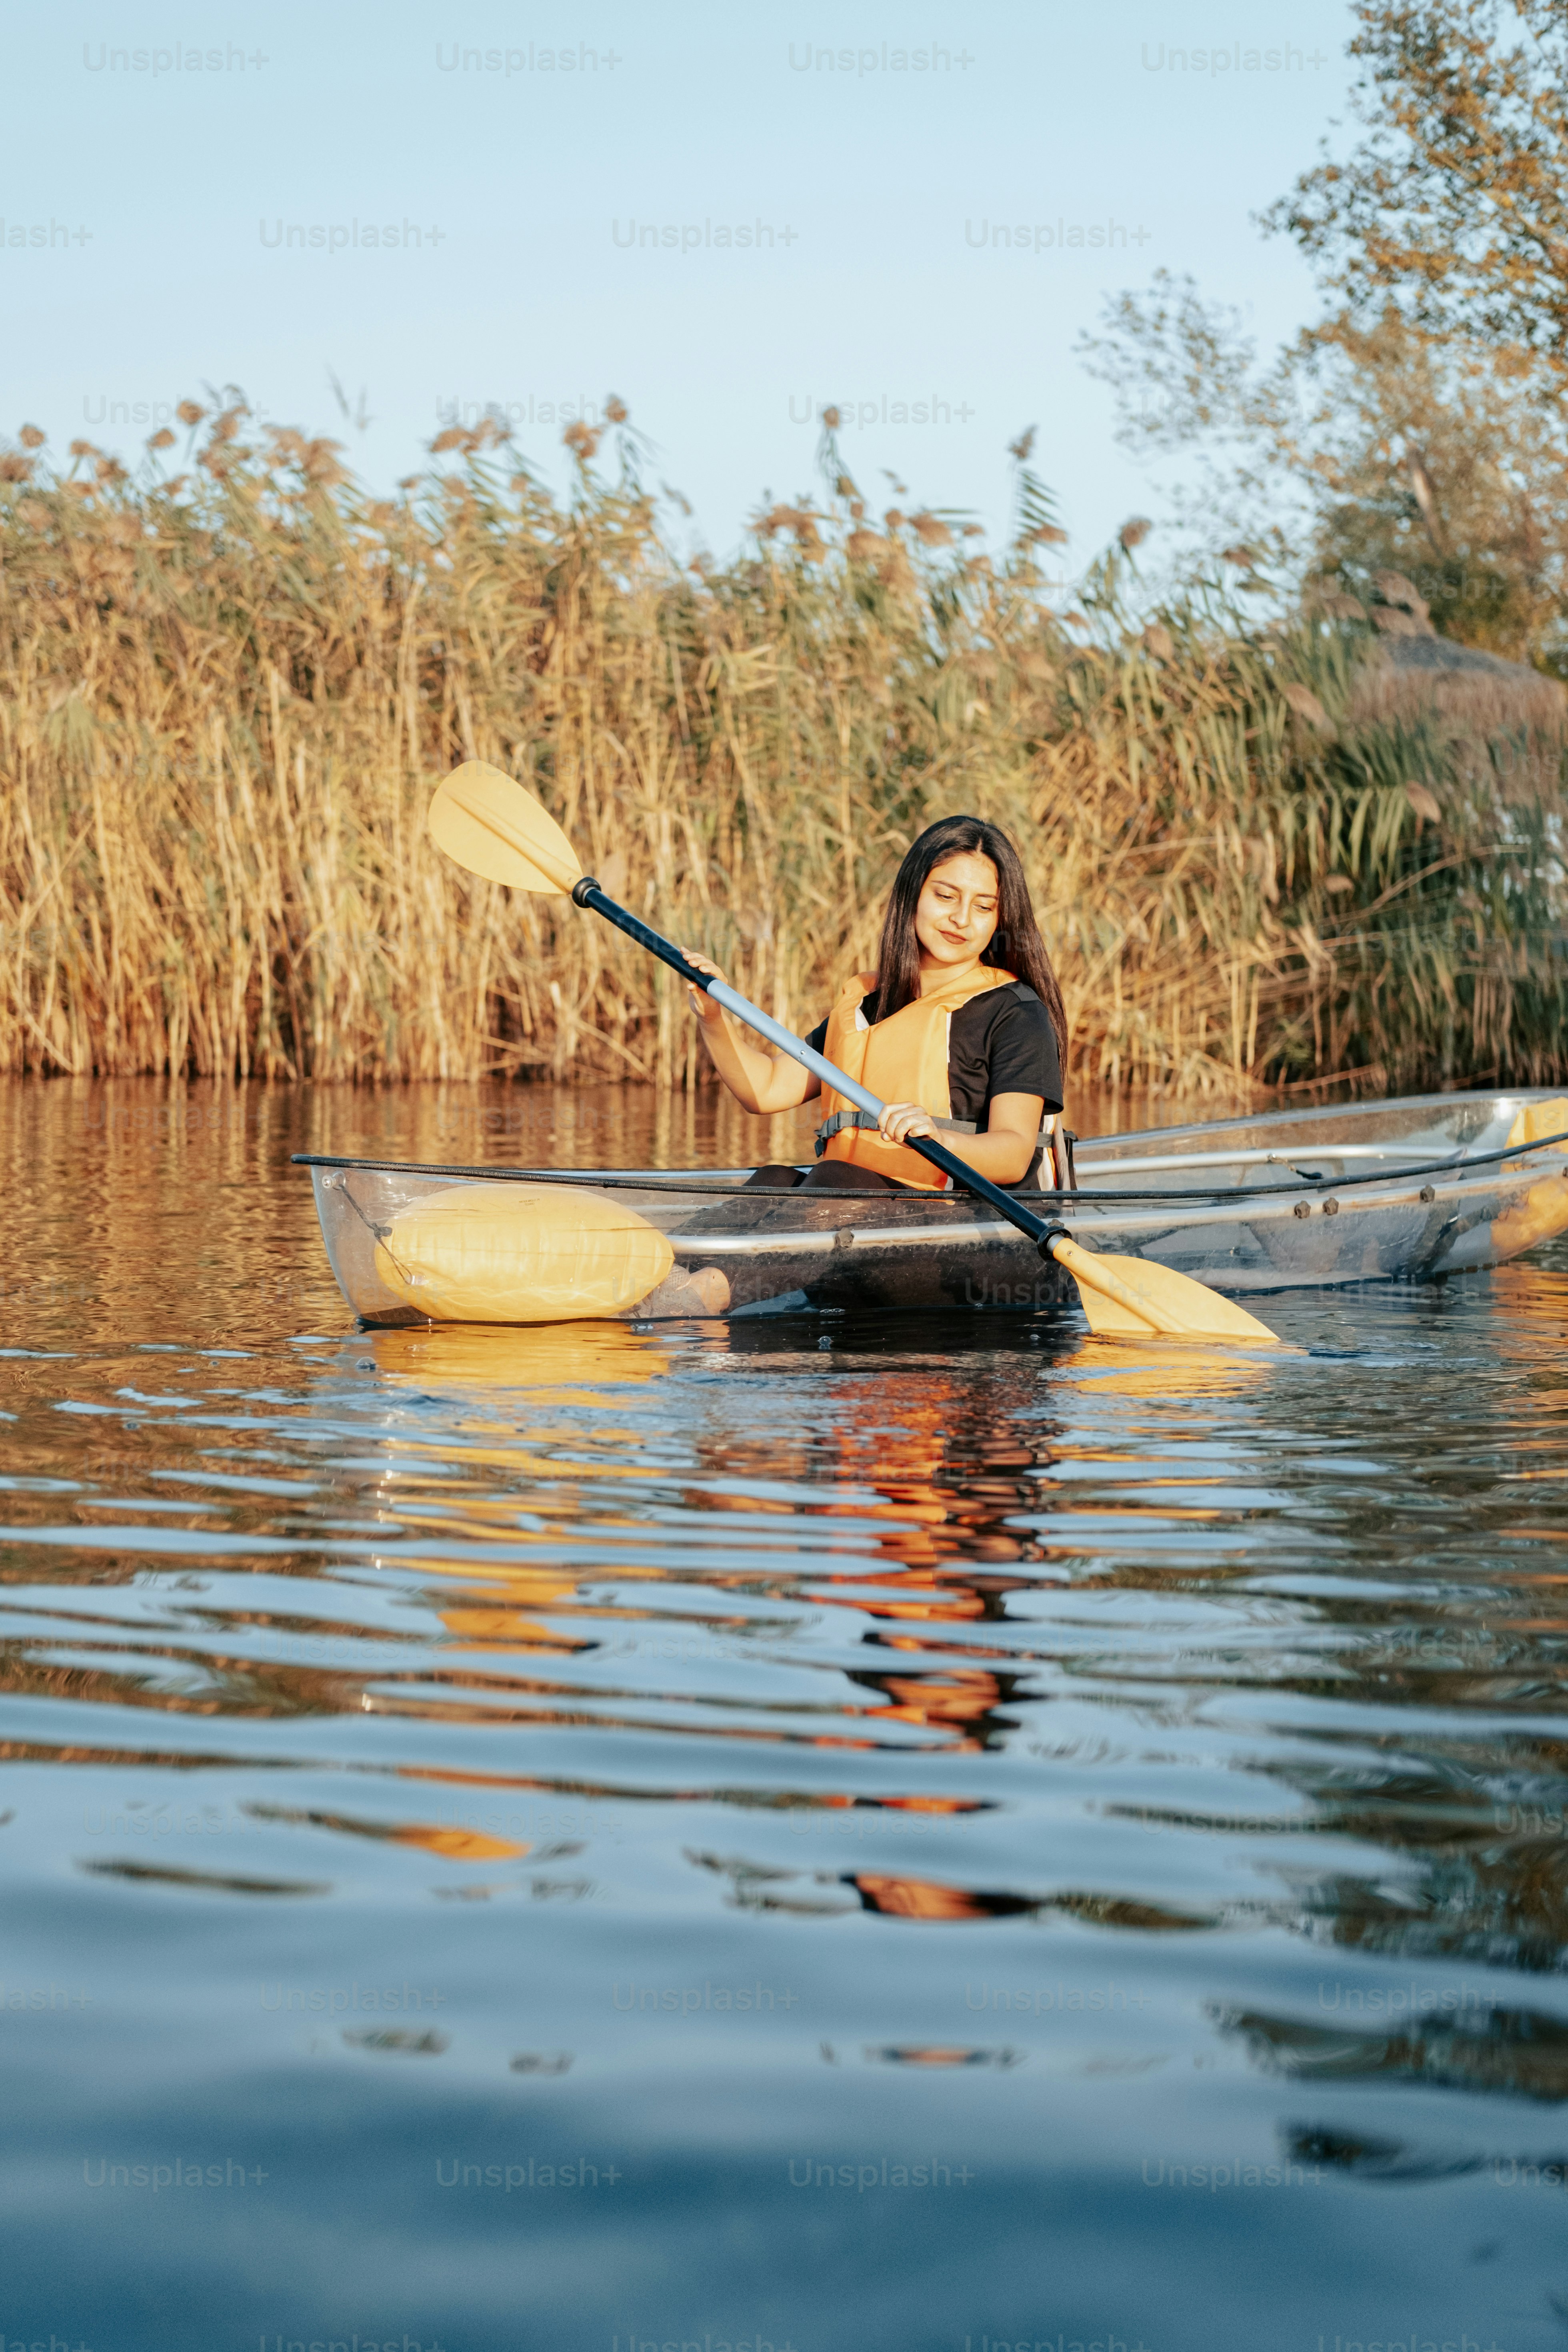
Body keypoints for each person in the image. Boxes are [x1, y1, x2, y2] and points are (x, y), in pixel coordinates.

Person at [682, 814, 1066, 1192]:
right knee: (774, 1179)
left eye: (984, 907)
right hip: (855, 1201)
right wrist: (713, 1017)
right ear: (913, 893)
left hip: (959, 1222)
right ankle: (693, 1258)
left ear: (1001, 919)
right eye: (946, 896)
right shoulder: (869, 1005)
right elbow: (765, 1089)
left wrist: (938, 1140)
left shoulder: (1017, 1014)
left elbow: (1014, 1152)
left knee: (835, 1179)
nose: (961, 918)